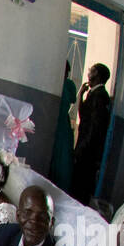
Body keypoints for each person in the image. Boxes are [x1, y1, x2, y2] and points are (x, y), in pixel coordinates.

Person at [71, 62, 112, 205]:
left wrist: (81, 149)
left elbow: (94, 128)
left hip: (88, 151)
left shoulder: (100, 96)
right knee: (78, 183)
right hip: (85, 147)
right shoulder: (93, 93)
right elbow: (84, 117)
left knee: (81, 185)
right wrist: (81, 95)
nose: (88, 73)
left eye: (91, 71)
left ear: (98, 76)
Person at [49, 61, 77, 192]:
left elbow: (72, 100)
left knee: (61, 155)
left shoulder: (66, 84)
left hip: (60, 124)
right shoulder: (69, 85)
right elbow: (73, 100)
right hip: (61, 123)